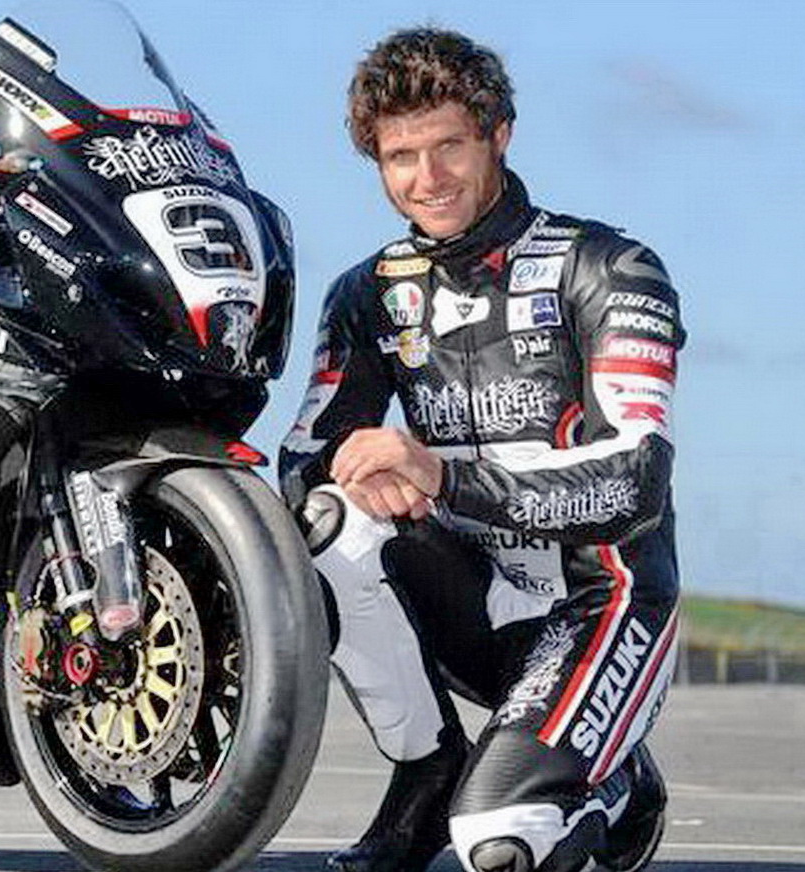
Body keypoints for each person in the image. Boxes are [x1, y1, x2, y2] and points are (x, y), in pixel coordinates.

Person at [279, 28, 683, 872]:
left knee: (499, 844)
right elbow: (305, 461)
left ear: (498, 134)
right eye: (400, 157)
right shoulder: (364, 294)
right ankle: (427, 774)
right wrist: (363, 474)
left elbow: (634, 482)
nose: (426, 179)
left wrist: (439, 475)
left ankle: (611, 782)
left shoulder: (610, 265)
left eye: (449, 147)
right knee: (324, 516)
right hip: (471, 604)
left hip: (601, 602)